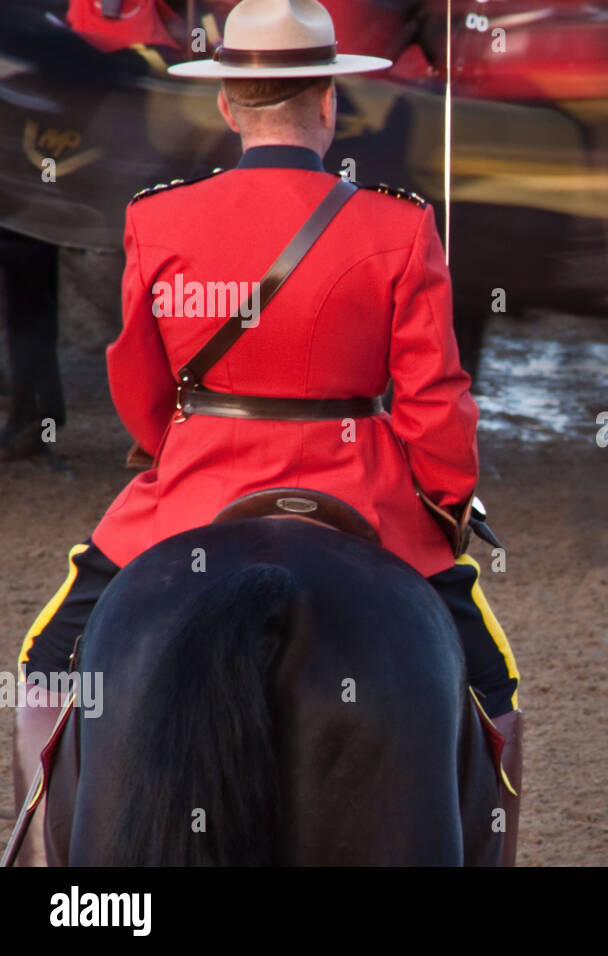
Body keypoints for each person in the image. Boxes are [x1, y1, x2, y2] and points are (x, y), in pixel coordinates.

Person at [13, 0, 522, 866]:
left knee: (46, 662)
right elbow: (438, 400)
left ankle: (44, 854)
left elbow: (138, 380)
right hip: (365, 498)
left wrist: (173, 452)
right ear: (329, 101)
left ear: (226, 103)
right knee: (491, 682)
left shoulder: (159, 218)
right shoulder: (399, 225)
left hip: (191, 499)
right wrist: (443, 502)